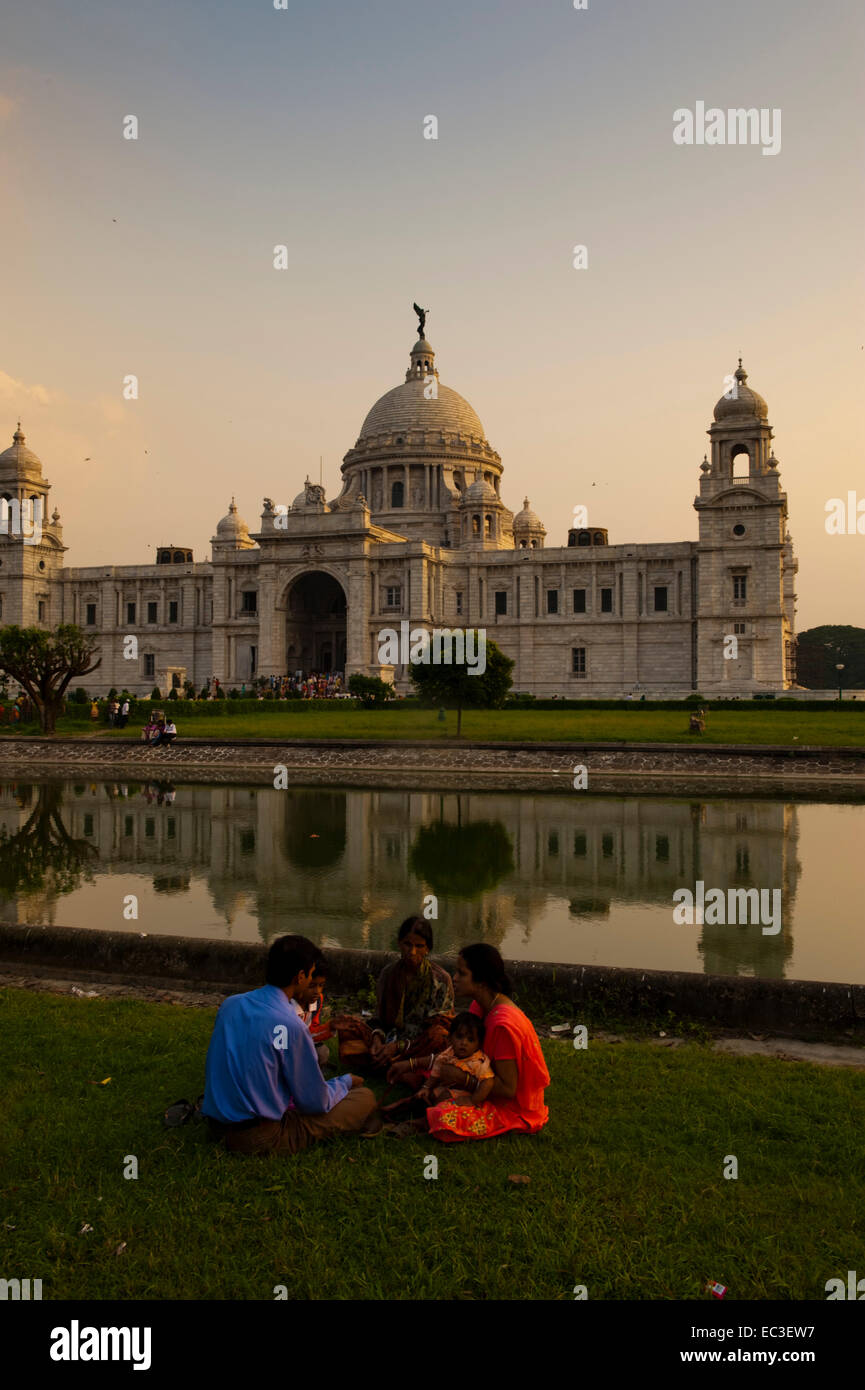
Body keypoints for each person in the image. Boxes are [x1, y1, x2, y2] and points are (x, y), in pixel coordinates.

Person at [202, 934, 379, 1154]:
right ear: (301, 976)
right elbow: (315, 1102)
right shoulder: (290, 1025)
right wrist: (345, 1082)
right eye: (311, 975)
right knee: (364, 1097)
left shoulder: (231, 1005)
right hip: (258, 1136)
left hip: (215, 1125)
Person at [390, 943, 549, 1143]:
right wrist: (412, 1063)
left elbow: (509, 1089)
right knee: (427, 1080)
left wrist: (465, 1080)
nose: (454, 978)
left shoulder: (503, 1025)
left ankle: (421, 1122)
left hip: (512, 1107)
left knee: (447, 1116)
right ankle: (417, 1109)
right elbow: (456, 1053)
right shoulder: (480, 1005)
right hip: (481, 1082)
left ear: (482, 981)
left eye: (461, 973)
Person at [333, 916, 454, 1072]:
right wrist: (377, 1040)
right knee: (347, 1026)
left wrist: (399, 1047)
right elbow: (379, 1018)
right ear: (399, 943)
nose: (412, 952)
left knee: (439, 1038)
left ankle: (397, 1064)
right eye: (407, 944)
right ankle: (391, 1063)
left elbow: (441, 1025)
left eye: (419, 946)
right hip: (389, 1038)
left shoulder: (440, 980)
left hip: (418, 1045)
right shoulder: (388, 974)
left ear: (427, 949)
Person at [417, 1012, 494, 1107]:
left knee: (444, 1097)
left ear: (478, 1044)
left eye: (470, 1040)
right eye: (459, 1037)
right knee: (431, 1095)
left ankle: (434, 1116)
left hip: (464, 1095)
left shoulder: (478, 1061)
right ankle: (430, 1110)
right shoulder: (449, 1053)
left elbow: (488, 1082)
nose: (464, 1043)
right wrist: (426, 1087)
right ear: (450, 1038)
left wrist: (472, 1100)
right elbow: (436, 1070)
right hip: (446, 1087)